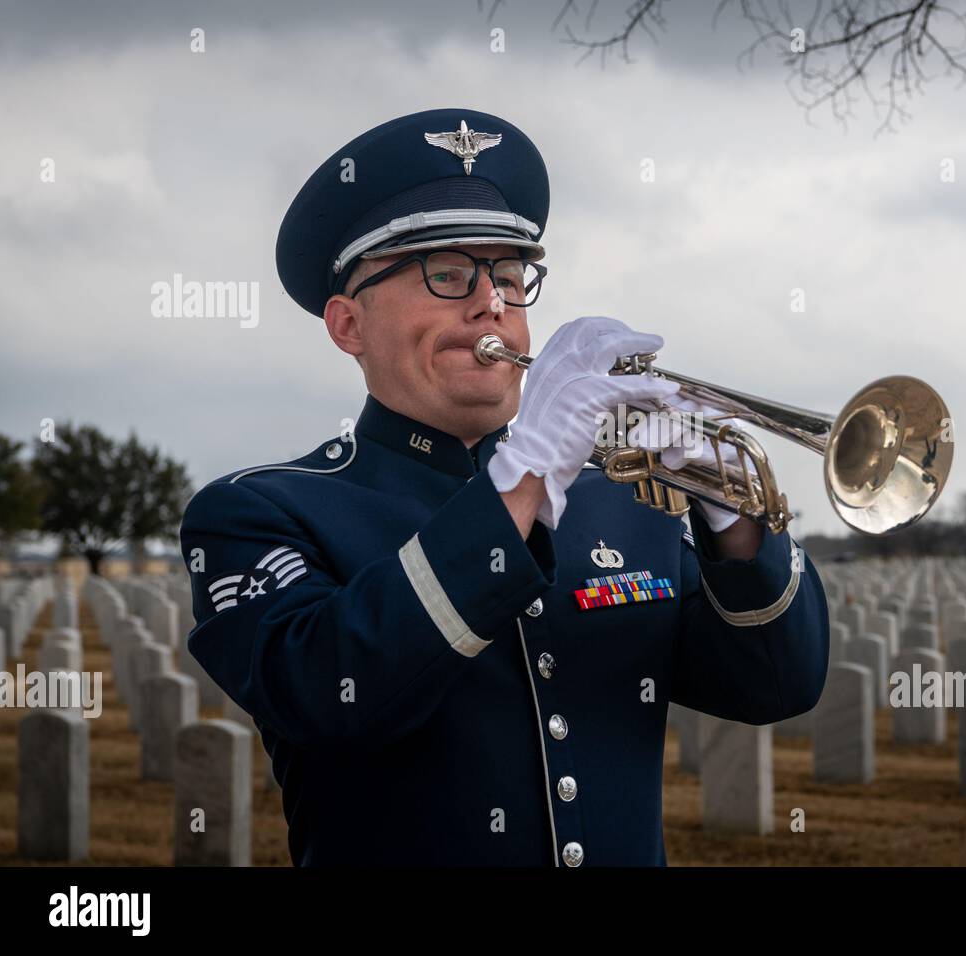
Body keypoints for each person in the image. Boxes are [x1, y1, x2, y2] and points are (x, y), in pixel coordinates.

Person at [180, 108, 830, 866]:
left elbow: (775, 687)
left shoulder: (621, 501)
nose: (490, 301)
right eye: (447, 273)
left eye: (511, 277)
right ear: (347, 324)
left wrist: (730, 513)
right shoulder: (260, 513)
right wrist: (525, 474)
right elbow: (329, 697)